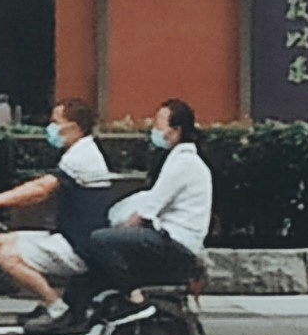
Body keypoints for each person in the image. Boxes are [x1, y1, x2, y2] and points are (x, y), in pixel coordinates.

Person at [0, 87, 115, 328]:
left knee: (7, 256)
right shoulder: (81, 151)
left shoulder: (80, 157)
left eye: (56, 122)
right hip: (74, 238)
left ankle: (56, 307)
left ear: (73, 127)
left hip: (78, 247)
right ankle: (50, 303)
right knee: (3, 241)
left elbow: (40, 190)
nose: (50, 128)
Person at [79, 99, 215, 296]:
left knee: (100, 240)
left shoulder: (183, 163)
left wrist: (122, 228)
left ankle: (132, 293)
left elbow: (150, 208)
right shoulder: (181, 159)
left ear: (176, 130)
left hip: (174, 243)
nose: (155, 128)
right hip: (170, 238)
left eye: (159, 123)